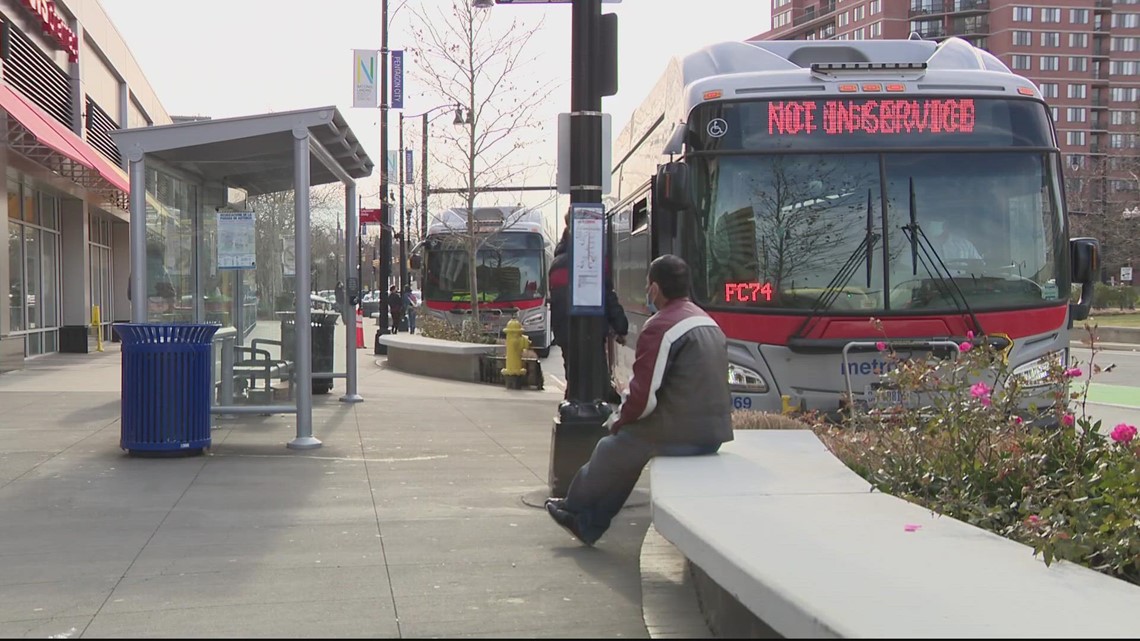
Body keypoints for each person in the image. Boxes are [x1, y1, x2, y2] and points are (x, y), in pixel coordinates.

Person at [545, 255, 733, 546]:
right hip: (714, 432)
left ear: (655, 289)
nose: (648, 293)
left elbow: (643, 396)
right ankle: (586, 524)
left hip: (683, 432)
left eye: (648, 287)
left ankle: (576, 509)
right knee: (629, 451)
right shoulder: (705, 320)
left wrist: (617, 421)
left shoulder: (662, 326)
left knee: (613, 445)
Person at [548, 224, 628, 397]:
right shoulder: (593, 262)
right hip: (591, 331)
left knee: (573, 377)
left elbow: (557, 303)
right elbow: (607, 296)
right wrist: (620, 327)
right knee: (597, 380)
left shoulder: (556, 265)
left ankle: (571, 404)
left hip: (564, 333)